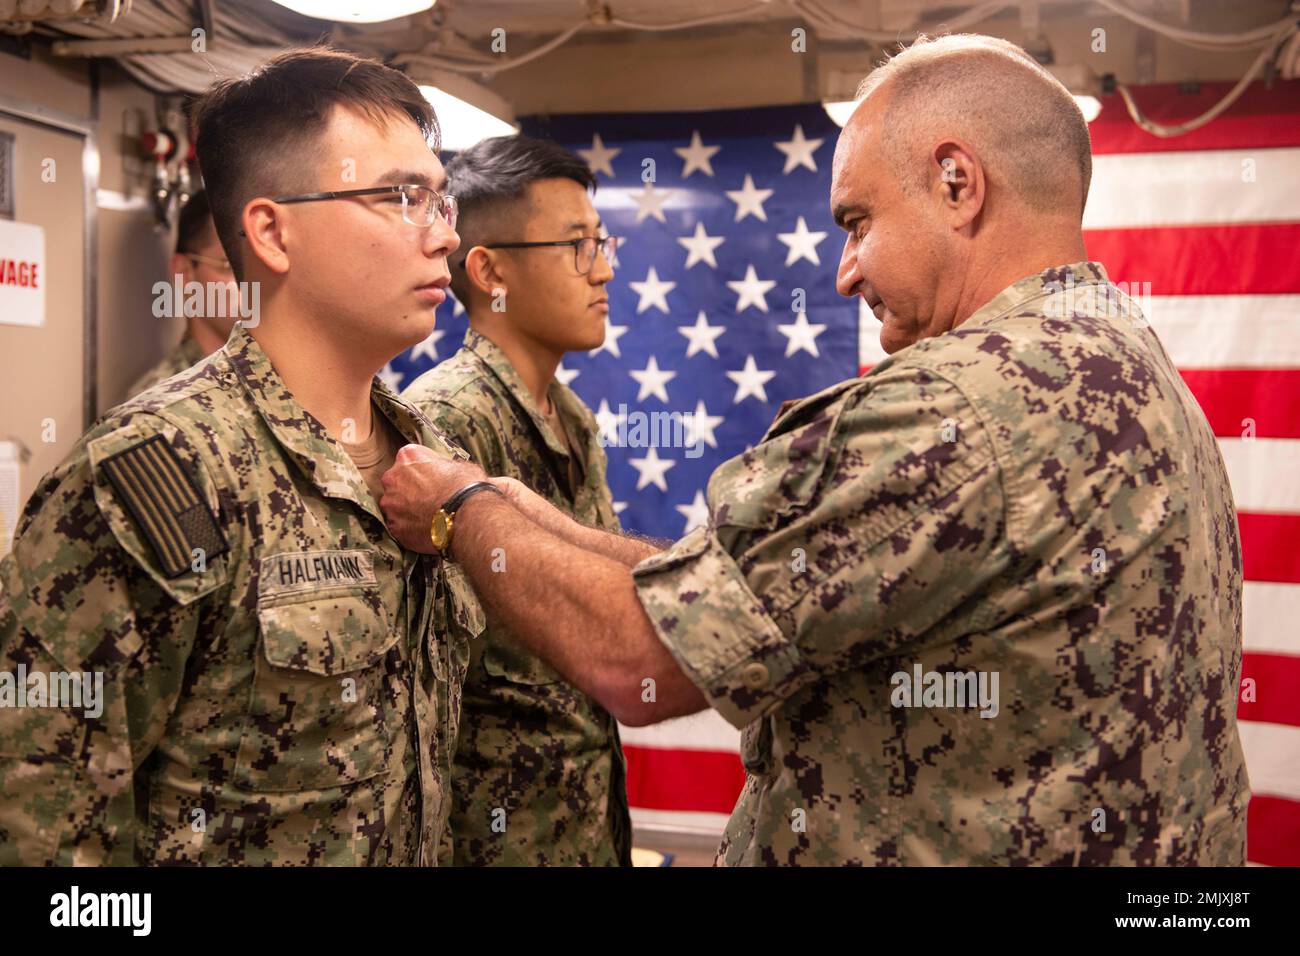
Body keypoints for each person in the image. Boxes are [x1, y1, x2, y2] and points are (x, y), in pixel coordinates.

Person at [379, 34, 1249, 866]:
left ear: (958, 183)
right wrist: (507, 501)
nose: (845, 271)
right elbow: (718, 584)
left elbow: (640, 655)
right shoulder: (1129, 367)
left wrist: (461, 512)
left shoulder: (953, 407)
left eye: (858, 221)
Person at [0, 47, 479, 866]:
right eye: (403, 197)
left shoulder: (428, 458)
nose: (445, 235)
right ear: (271, 232)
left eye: (443, 198)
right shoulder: (157, 471)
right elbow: (41, 815)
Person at [401, 135, 630, 866]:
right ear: (490, 270)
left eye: (601, 242)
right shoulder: (448, 419)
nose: (604, 269)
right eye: (576, 246)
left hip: (582, 829)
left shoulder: (572, 417)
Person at [126, 190, 239, 397]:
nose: (255, 284)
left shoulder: (278, 378)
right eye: (231, 266)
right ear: (185, 273)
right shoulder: (158, 406)